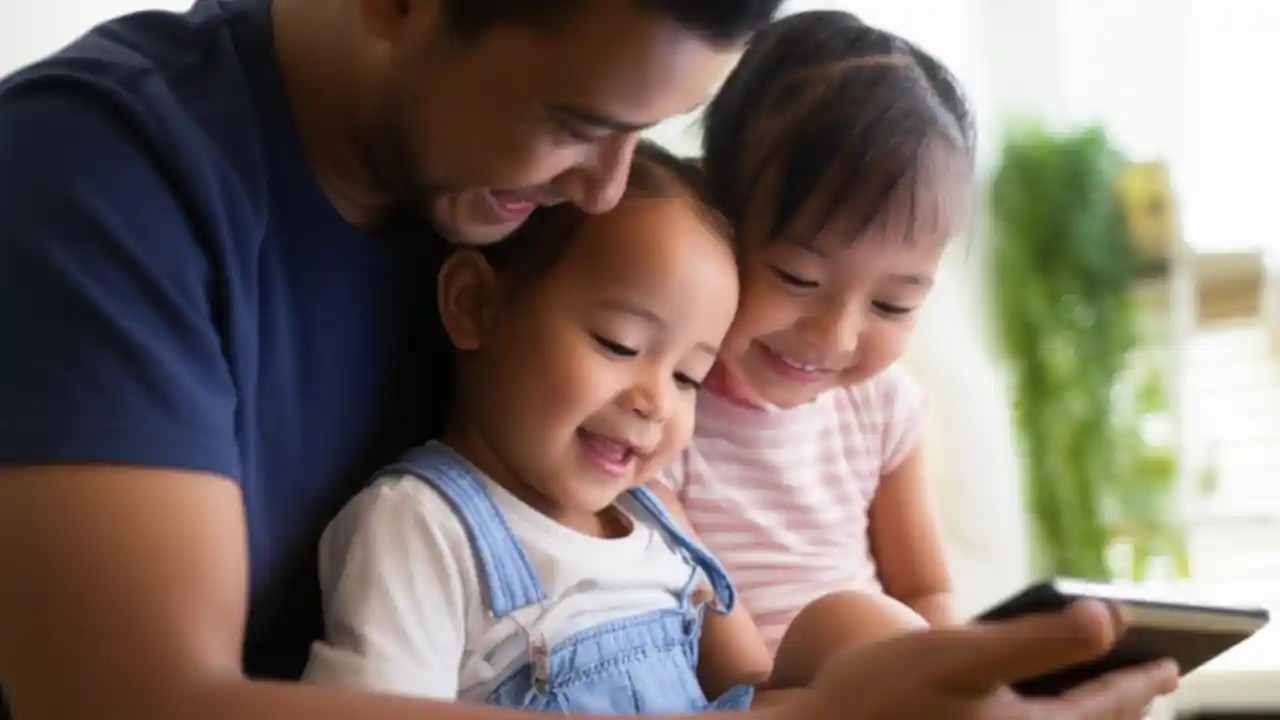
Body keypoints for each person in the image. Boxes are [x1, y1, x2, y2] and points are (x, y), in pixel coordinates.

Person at [0, 0, 1178, 717]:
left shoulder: (526, 219)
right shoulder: (100, 177)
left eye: (644, 136)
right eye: (577, 123)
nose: (604, 190)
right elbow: (128, 703)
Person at [303, 143, 771, 712]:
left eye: (688, 376)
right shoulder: (421, 526)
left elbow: (750, 683)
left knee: (847, 626)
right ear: (475, 305)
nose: (655, 403)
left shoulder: (657, 519)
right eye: (618, 343)